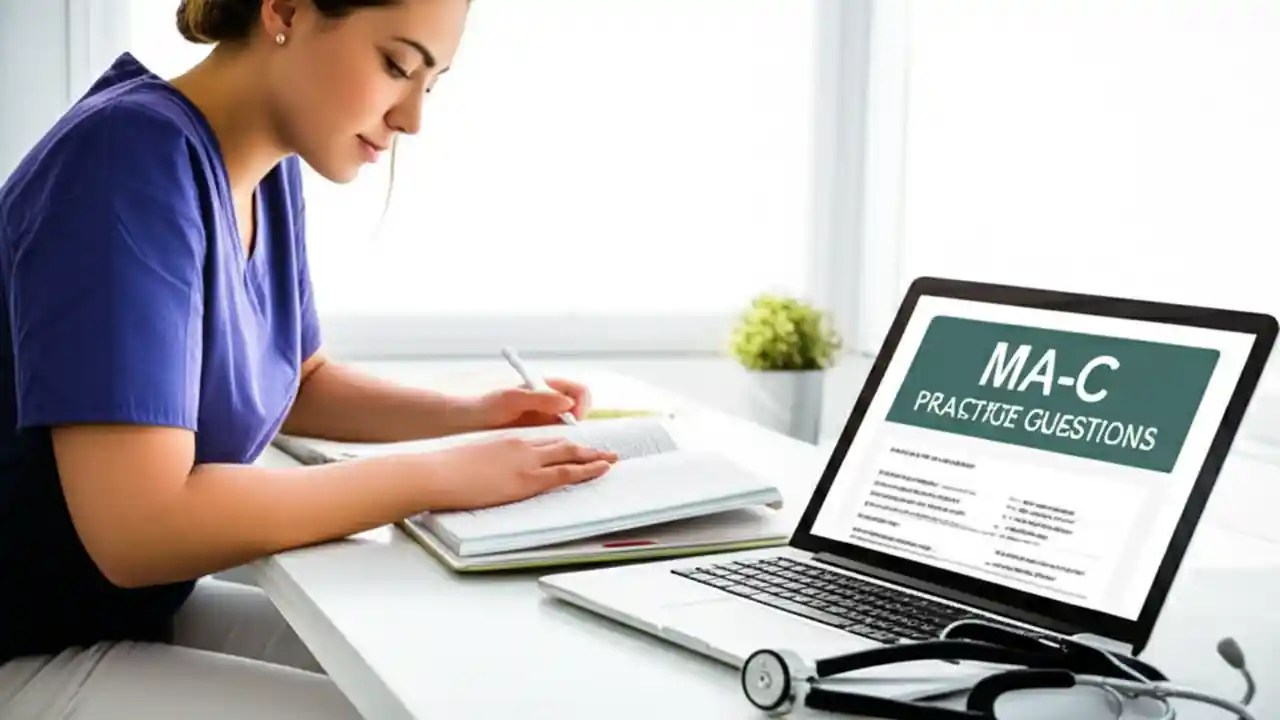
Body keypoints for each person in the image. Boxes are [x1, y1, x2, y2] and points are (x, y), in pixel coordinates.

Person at [0, 0, 619, 716]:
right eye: (396, 66)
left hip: (108, 616)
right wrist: (438, 476)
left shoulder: (265, 168)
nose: (412, 119)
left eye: (431, 83)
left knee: (449, 676)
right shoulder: (125, 160)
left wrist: (471, 416)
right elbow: (139, 525)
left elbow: (296, 381)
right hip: (26, 647)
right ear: (285, 10)